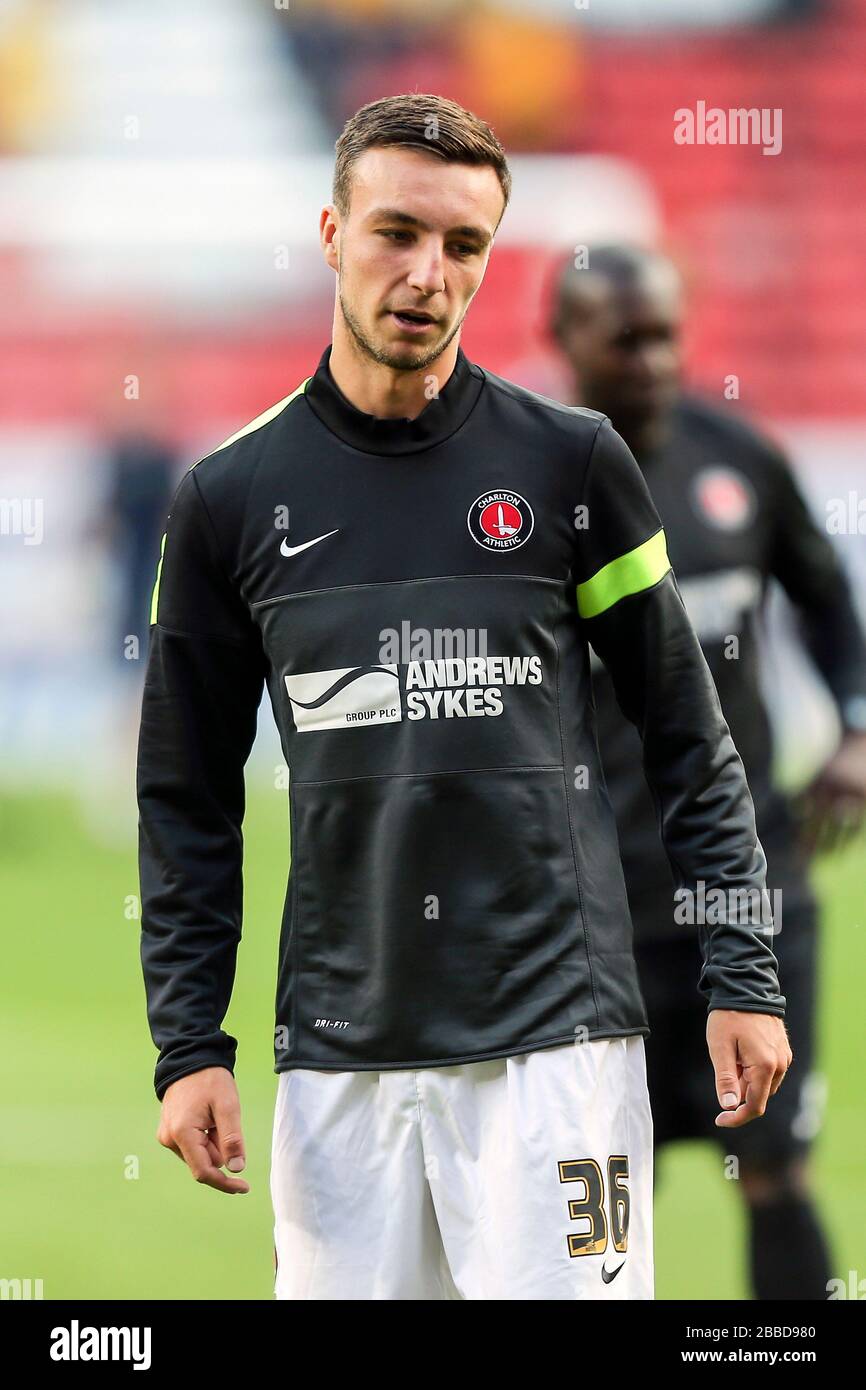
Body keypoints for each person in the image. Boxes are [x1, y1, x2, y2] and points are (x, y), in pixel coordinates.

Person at [137, 95, 790, 1302]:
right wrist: (189, 1045)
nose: (427, 275)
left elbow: (690, 740)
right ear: (330, 232)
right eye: (396, 234)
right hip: (341, 1059)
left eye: (464, 247)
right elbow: (183, 796)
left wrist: (739, 971)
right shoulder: (228, 499)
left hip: (558, 1046)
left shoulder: (571, 461)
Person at [549, 243, 866, 1300]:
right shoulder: (534, 488)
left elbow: (827, 600)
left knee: (772, 1170)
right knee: (599, 1199)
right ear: (564, 342)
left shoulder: (739, 461)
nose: (652, 359)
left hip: (749, 888)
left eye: (665, 333)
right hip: (596, 907)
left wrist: (857, 727)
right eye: (622, 337)